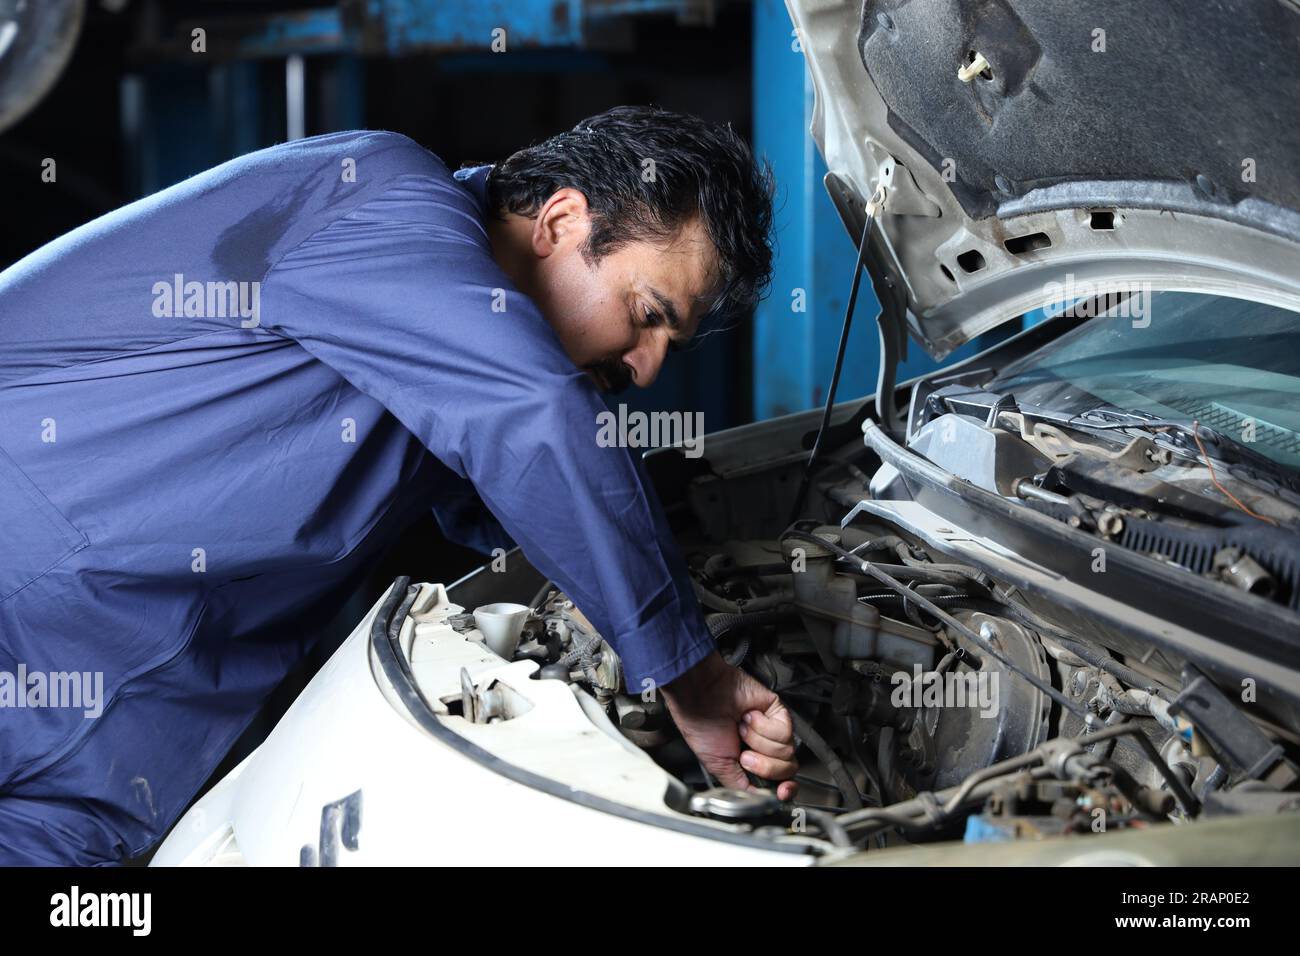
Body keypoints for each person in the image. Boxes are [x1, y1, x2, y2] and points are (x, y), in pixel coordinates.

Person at [0, 106, 798, 864]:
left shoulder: (441, 343)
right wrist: (688, 672)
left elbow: (518, 494)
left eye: (671, 341)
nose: (646, 367)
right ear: (560, 222)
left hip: (103, 732)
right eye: (646, 312)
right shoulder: (375, 197)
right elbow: (529, 419)